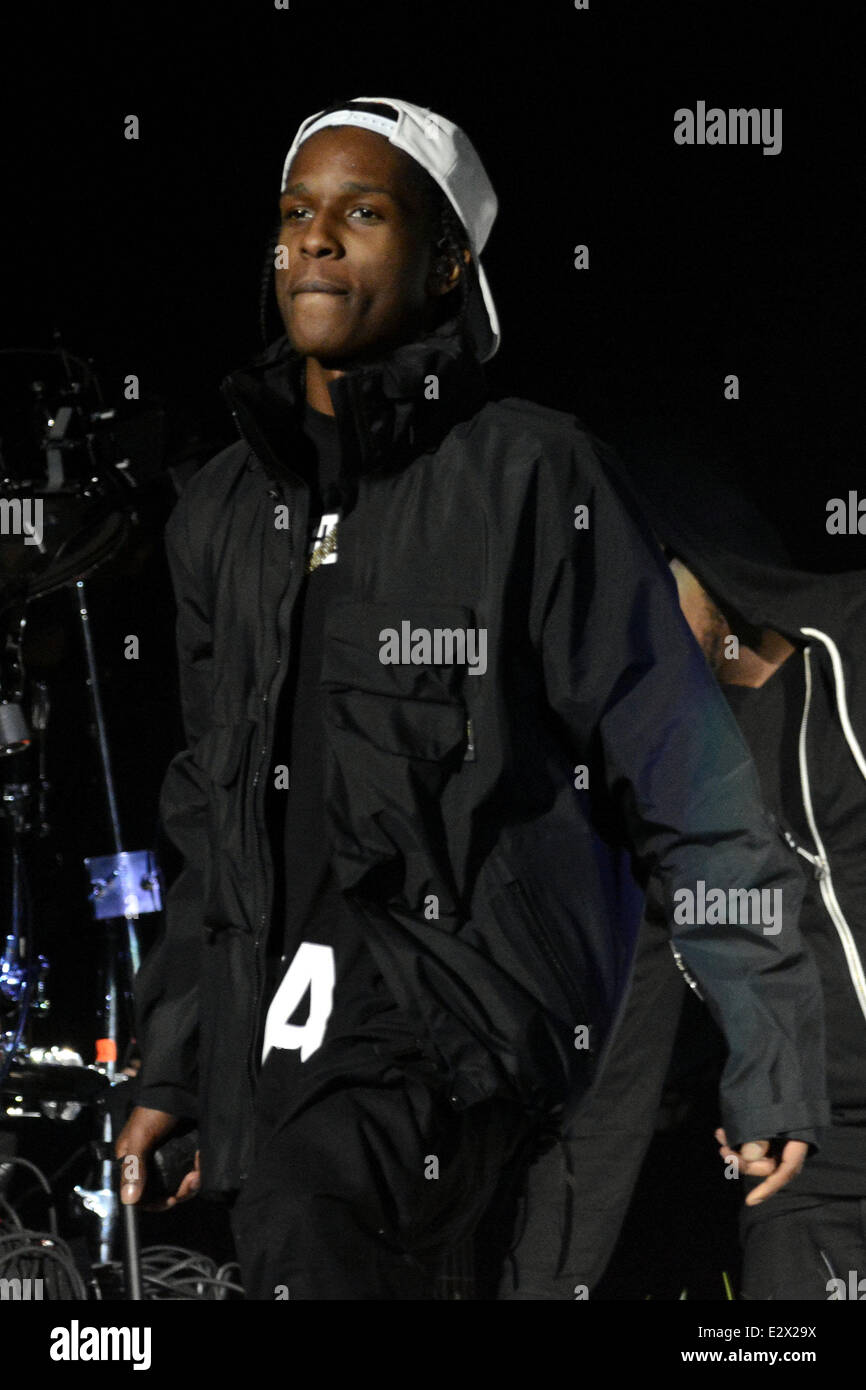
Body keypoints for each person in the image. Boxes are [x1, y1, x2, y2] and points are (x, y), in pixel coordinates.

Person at [116, 98, 829, 1301]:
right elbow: (209, 818)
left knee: (315, 1196)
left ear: (449, 263)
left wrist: (767, 1054)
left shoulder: (532, 474)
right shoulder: (223, 512)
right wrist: (175, 1070)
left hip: (460, 1023)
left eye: (364, 212)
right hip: (277, 1045)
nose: (317, 240)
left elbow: (683, 771)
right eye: (296, 214)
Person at [502, 444, 865, 1300]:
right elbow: (614, 1069)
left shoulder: (850, 650)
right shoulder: (654, 801)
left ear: (696, 558)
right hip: (818, 1161)